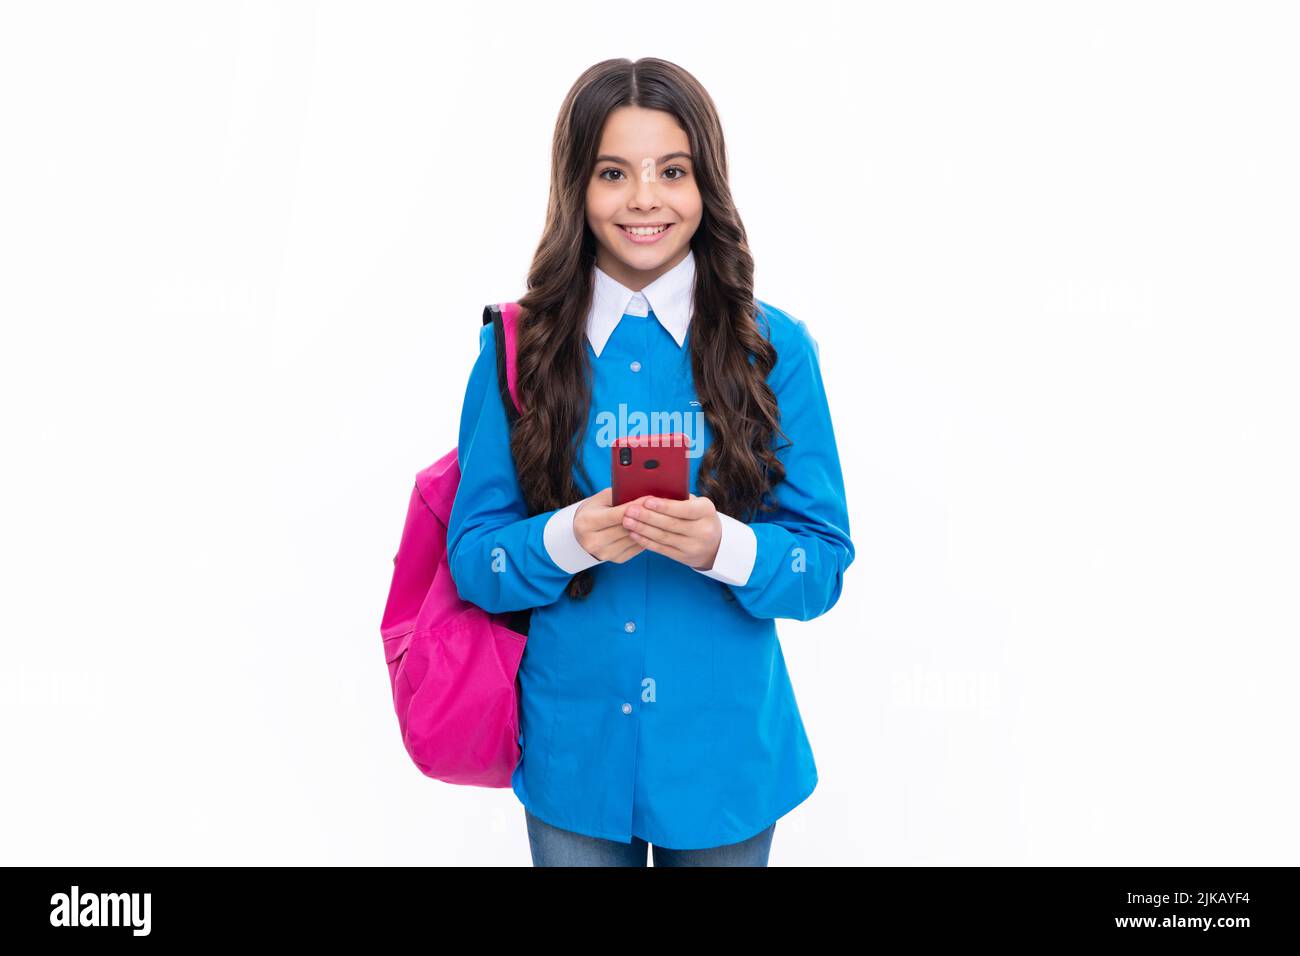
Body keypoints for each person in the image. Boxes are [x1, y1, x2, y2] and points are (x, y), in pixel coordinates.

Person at [445, 57, 854, 867]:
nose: (643, 199)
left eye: (672, 170)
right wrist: (569, 538)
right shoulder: (516, 351)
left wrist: (724, 548)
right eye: (612, 172)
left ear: (707, 184)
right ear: (576, 188)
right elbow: (474, 561)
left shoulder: (775, 350)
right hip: (573, 752)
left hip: (727, 752)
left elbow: (822, 563)